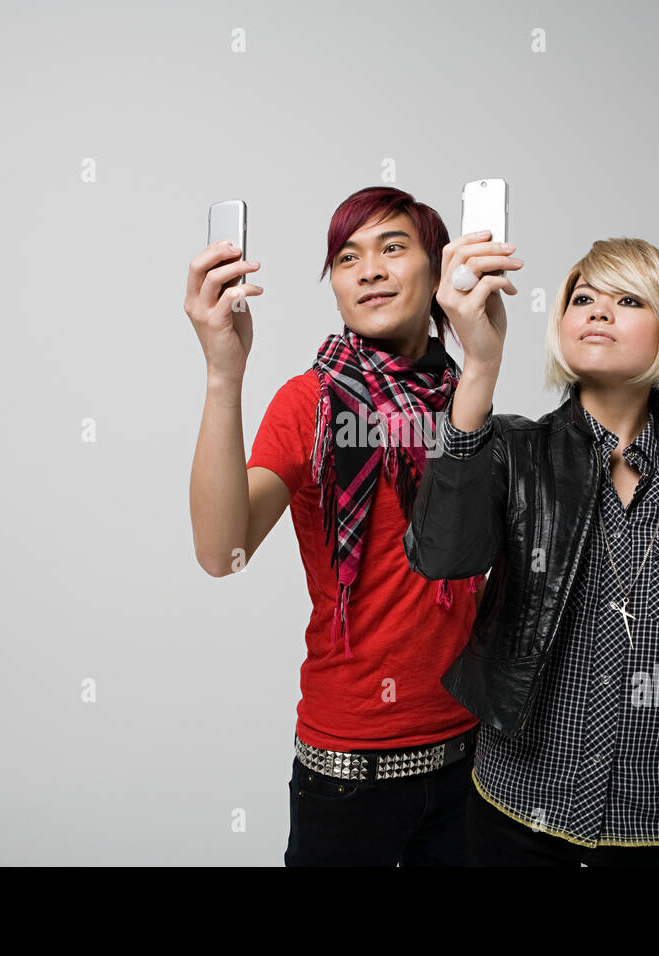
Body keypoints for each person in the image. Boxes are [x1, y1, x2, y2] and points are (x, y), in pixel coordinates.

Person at [404, 234, 659, 866]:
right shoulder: (514, 451)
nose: (596, 311)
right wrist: (480, 367)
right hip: (516, 822)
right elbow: (439, 555)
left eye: (627, 299)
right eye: (583, 297)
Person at [185, 186, 486, 865]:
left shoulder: (465, 402)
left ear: (439, 273)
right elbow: (219, 552)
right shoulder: (313, 403)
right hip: (350, 779)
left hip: (473, 760)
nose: (369, 269)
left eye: (393, 248)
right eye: (348, 257)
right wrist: (221, 373)